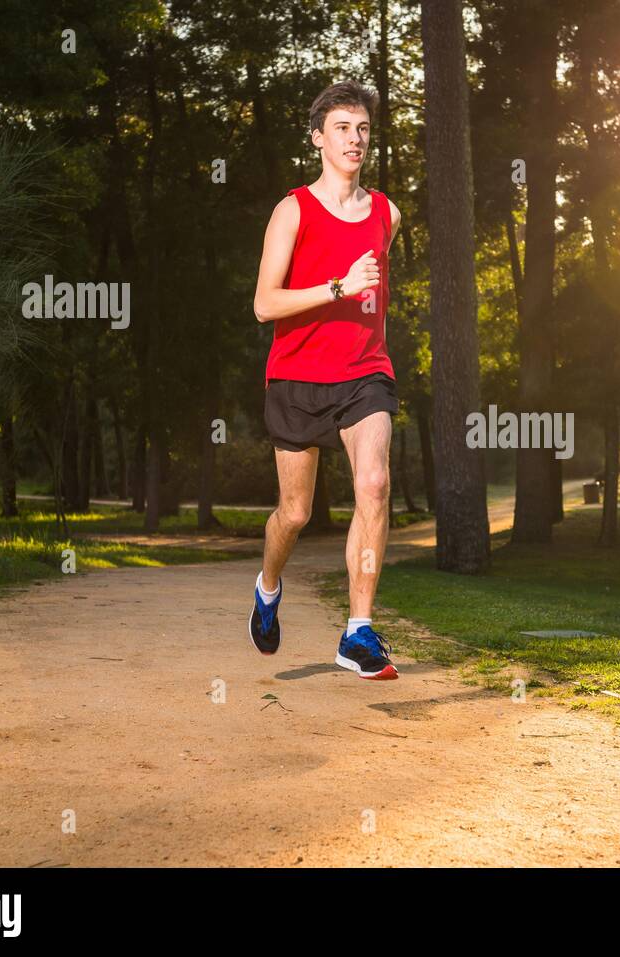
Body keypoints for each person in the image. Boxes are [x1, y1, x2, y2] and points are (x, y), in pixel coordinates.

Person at [247, 80, 401, 680]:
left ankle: (357, 630)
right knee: (295, 512)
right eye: (342, 128)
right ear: (317, 138)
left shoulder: (386, 212)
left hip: (366, 372)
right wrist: (338, 286)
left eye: (362, 129)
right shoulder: (293, 210)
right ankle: (267, 586)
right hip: (296, 375)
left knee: (375, 482)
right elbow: (264, 304)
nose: (355, 139)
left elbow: (377, 295)